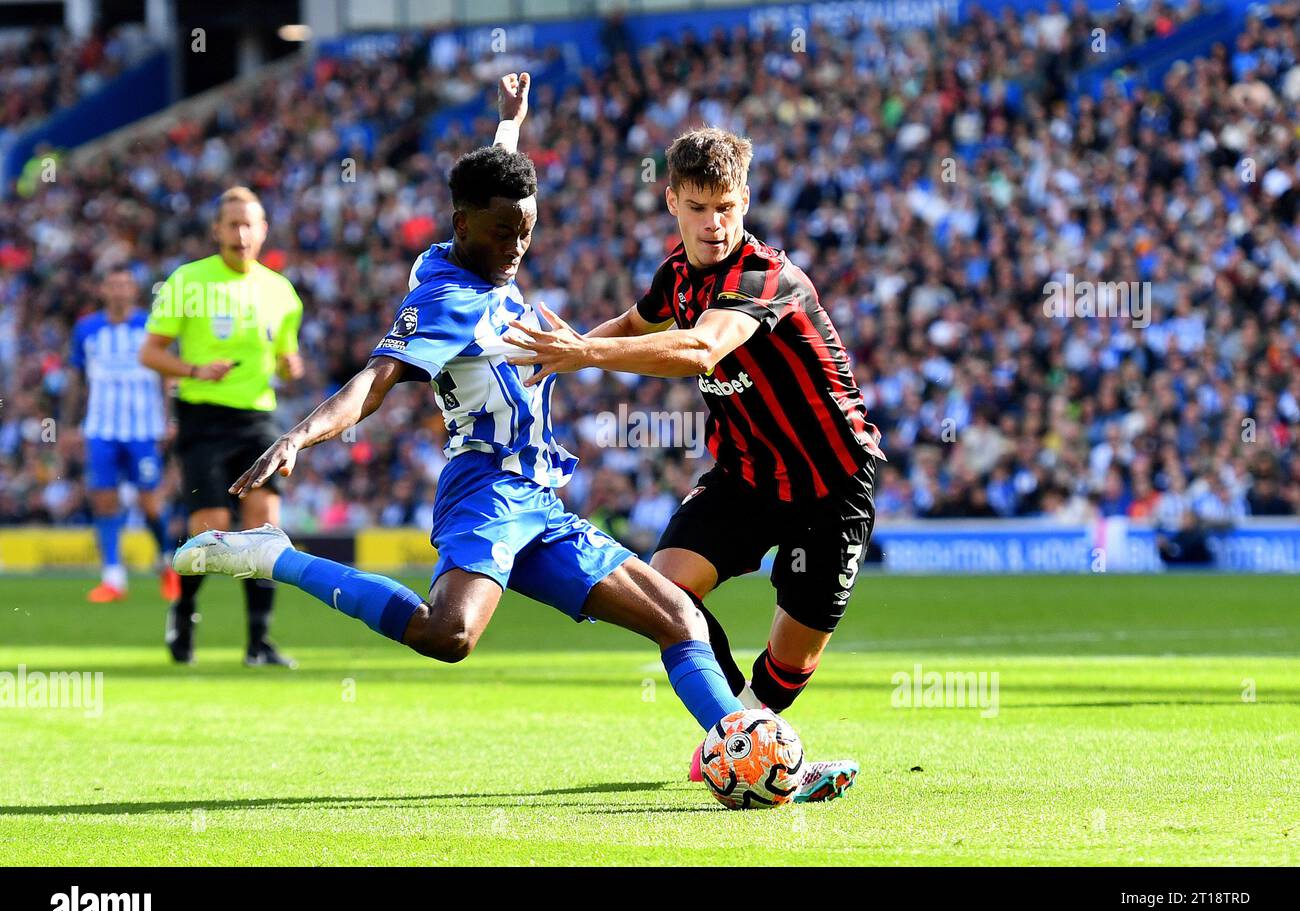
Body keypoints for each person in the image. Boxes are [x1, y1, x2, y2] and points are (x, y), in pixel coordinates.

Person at [170, 76, 850, 802]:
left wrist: (509, 126)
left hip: (541, 499)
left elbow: (498, 189)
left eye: (527, 229)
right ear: (463, 226)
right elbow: (376, 378)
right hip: (485, 490)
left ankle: (758, 759)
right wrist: (301, 436)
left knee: (678, 616)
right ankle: (279, 557)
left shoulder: (486, 242)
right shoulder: (442, 301)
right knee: (449, 636)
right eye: (506, 233)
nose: (520, 245)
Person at [505, 126, 886, 796]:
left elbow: (699, 351)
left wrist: (582, 354)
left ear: (745, 202)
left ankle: (757, 730)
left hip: (833, 482)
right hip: (745, 477)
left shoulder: (766, 276)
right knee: (665, 592)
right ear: (672, 201)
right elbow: (633, 326)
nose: (715, 224)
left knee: (791, 662)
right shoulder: (675, 277)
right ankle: (742, 737)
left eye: (728, 207)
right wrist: (555, 360)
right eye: (701, 206)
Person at [138, 186, 305, 666]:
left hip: (258, 419)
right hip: (203, 418)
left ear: (264, 230)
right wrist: (193, 371)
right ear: (216, 230)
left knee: (265, 529)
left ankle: (259, 643)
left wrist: (292, 366)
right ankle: (183, 614)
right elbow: (149, 353)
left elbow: (286, 360)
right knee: (208, 531)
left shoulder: (281, 291)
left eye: (250, 224)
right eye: (232, 224)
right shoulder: (187, 282)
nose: (241, 233)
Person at [69, 266, 178, 603]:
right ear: (103, 289)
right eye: (113, 284)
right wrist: (68, 424)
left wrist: (170, 417)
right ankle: (113, 578)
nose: (119, 291)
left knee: (149, 503)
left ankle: (166, 564)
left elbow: (166, 375)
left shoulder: (150, 325)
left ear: (133, 291)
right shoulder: (87, 329)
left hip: (143, 429)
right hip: (101, 428)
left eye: (125, 285)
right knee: (103, 499)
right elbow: (77, 380)